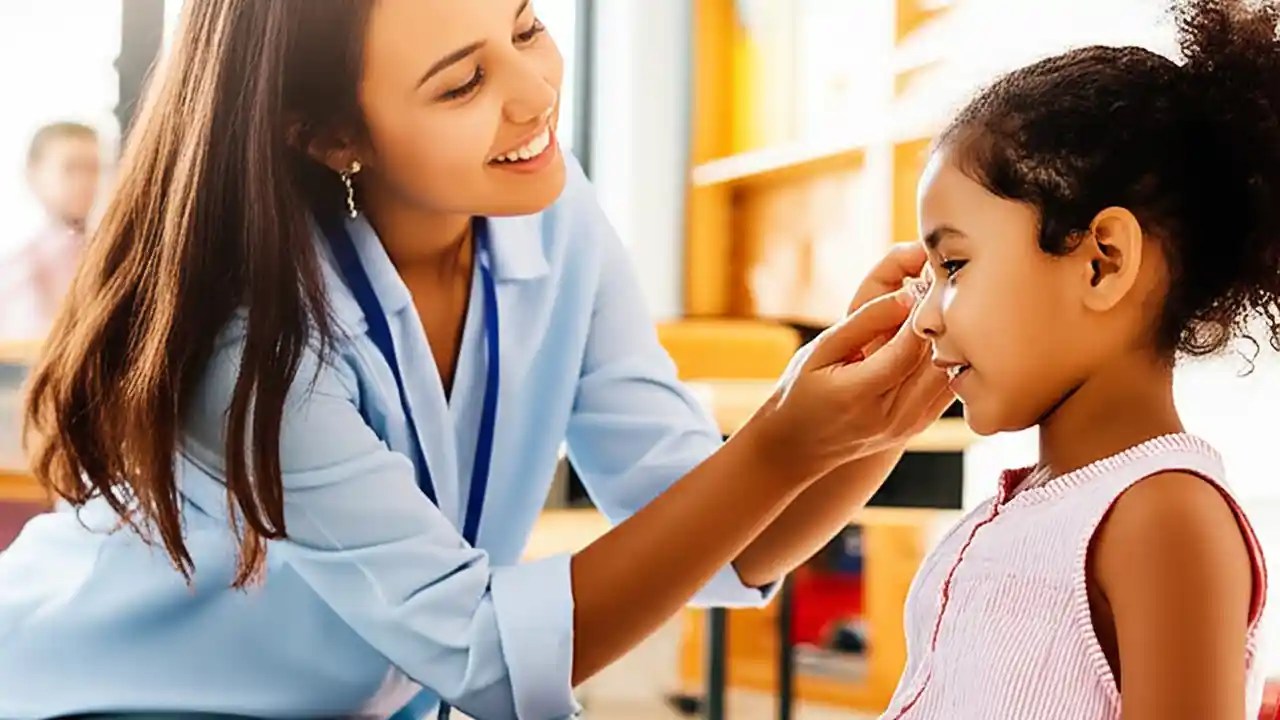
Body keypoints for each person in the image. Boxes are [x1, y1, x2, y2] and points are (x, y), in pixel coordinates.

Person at [0, 1, 950, 718]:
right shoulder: (249, 344)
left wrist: (897, 397)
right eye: (463, 83)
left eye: (529, 26)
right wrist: (784, 444)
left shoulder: (552, 210)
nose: (536, 96)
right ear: (330, 134)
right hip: (105, 695)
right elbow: (488, 653)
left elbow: (717, 529)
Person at [880, 0, 1276, 717]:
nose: (926, 316)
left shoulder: (1164, 517)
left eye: (956, 265)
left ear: (1102, 262)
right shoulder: (1026, 509)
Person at [0, 122, 100, 341]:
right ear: (33, 175)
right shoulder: (15, 269)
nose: (85, 182)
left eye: (93, 168)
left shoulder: (114, 255)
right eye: (71, 168)